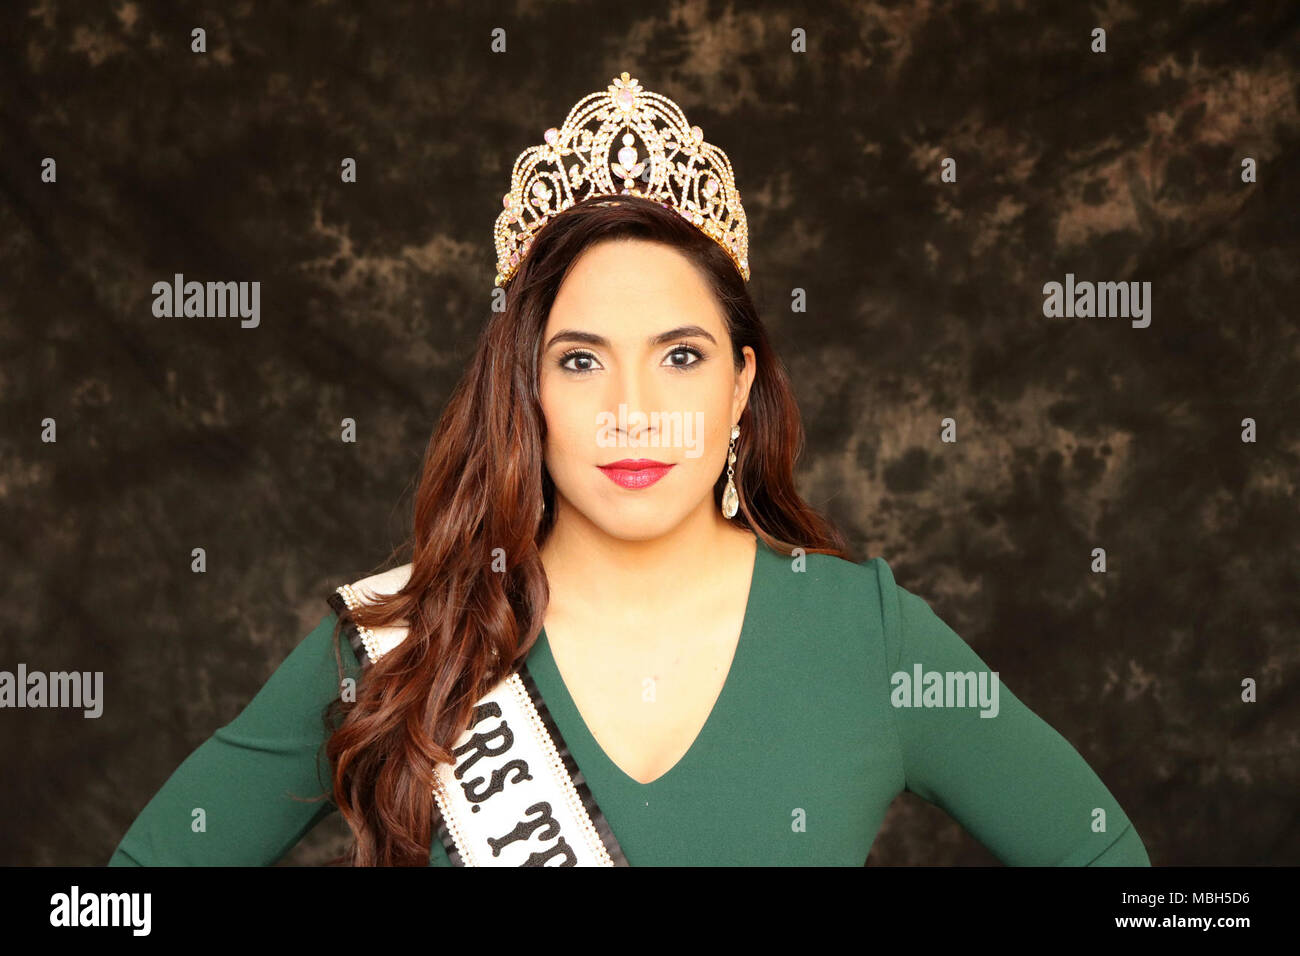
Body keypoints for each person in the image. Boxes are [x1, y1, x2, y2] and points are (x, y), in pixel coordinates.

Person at [108, 72, 1149, 867]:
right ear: (527, 392)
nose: (634, 409)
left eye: (680, 356)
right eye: (580, 359)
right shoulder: (399, 643)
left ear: (740, 387)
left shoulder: (862, 636)